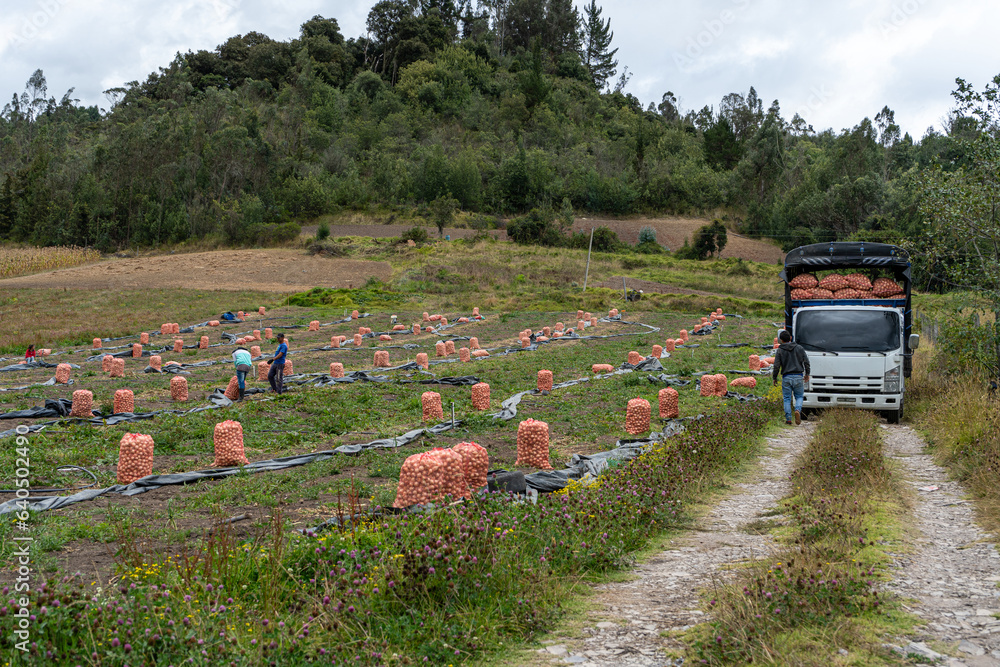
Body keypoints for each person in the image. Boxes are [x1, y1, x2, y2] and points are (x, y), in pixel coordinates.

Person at [772, 329, 810, 425]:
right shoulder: (799, 348)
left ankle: (788, 419)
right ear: (790, 338)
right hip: (798, 376)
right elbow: (806, 362)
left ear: (781, 340)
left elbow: (776, 365)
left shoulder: (780, 350)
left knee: (787, 398)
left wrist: (774, 378)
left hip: (786, 377)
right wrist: (807, 374)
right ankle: (797, 409)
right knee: (799, 396)